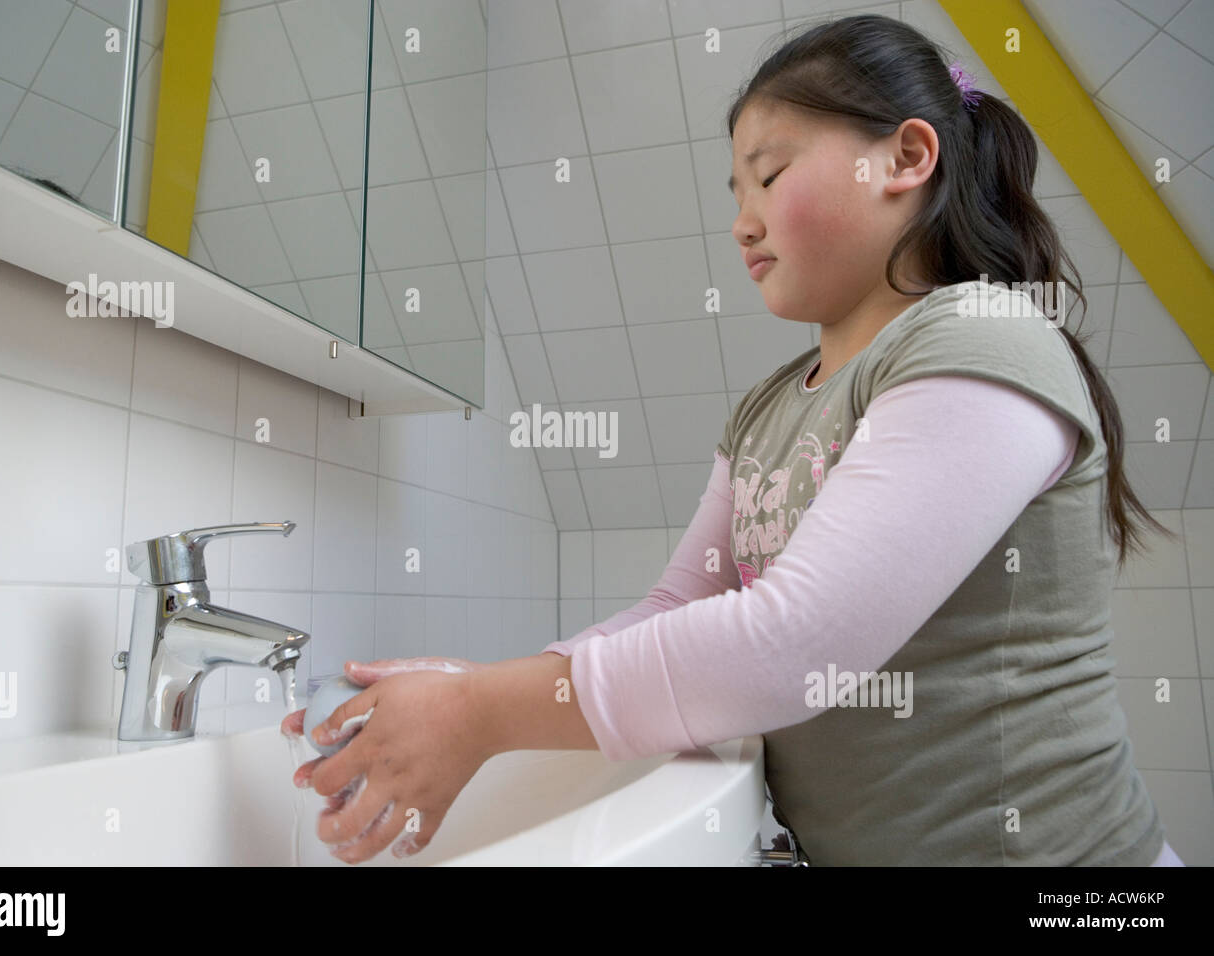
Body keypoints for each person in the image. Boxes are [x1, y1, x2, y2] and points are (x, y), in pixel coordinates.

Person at [284, 14, 1184, 867]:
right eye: (737, 191)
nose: (742, 222)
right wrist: (478, 688)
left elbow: (793, 648)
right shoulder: (764, 408)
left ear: (907, 156)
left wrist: (479, 712)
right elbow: (675, 612)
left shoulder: (982, 335)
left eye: (771, 174)